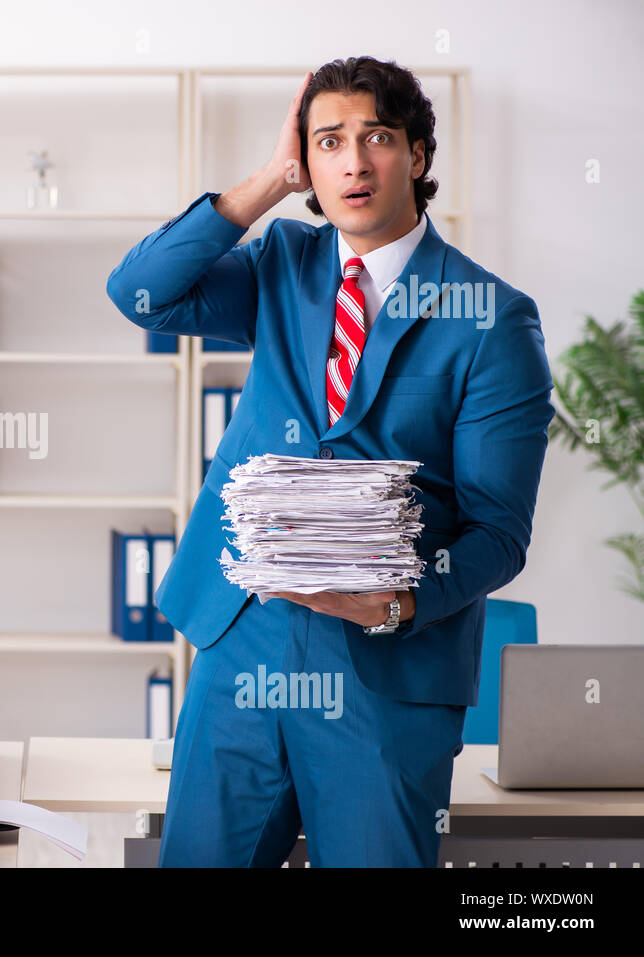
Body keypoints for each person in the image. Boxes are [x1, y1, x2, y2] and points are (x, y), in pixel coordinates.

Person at [105, 55, 554, 867]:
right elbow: (141, 292)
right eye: (328, 142)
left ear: (417, 155)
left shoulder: (492, 319)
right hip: (244, 639)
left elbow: (499, 530)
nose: (353, 162)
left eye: (377, 137)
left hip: (384, 665)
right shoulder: (283, 262)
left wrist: (396, 603)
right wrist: (267, 182)